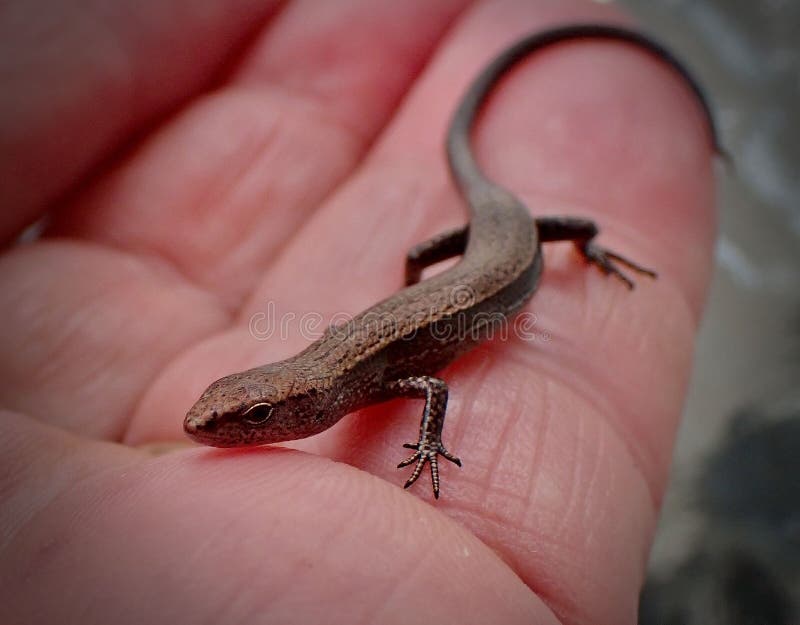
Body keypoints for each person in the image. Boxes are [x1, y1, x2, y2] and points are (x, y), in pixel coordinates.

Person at [0, 1, 718, 623]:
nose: (217, 429)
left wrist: (430, 444)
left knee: (548, 226)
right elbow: (426, 377)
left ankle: (586, 243)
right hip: (476, 256)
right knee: (433, 241)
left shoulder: (358, 381)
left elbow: (434, 385)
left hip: (513, 254)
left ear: (304, 401)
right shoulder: (332, 375)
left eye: (253, 417)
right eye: (244, 414)